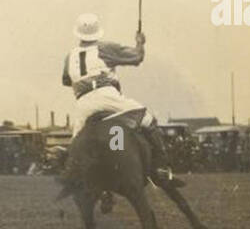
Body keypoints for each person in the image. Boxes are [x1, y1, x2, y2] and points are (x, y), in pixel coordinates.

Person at [62, 13, 179, 184]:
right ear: (97, 33)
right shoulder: (105, 48)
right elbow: (137, 57)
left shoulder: (70, 56)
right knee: (148, 120)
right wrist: (140, 42)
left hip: (82, 105)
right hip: (107, 96)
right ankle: (161, 168)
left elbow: (66, 80)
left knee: (76, 148)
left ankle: (75, 178)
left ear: (78, 33)